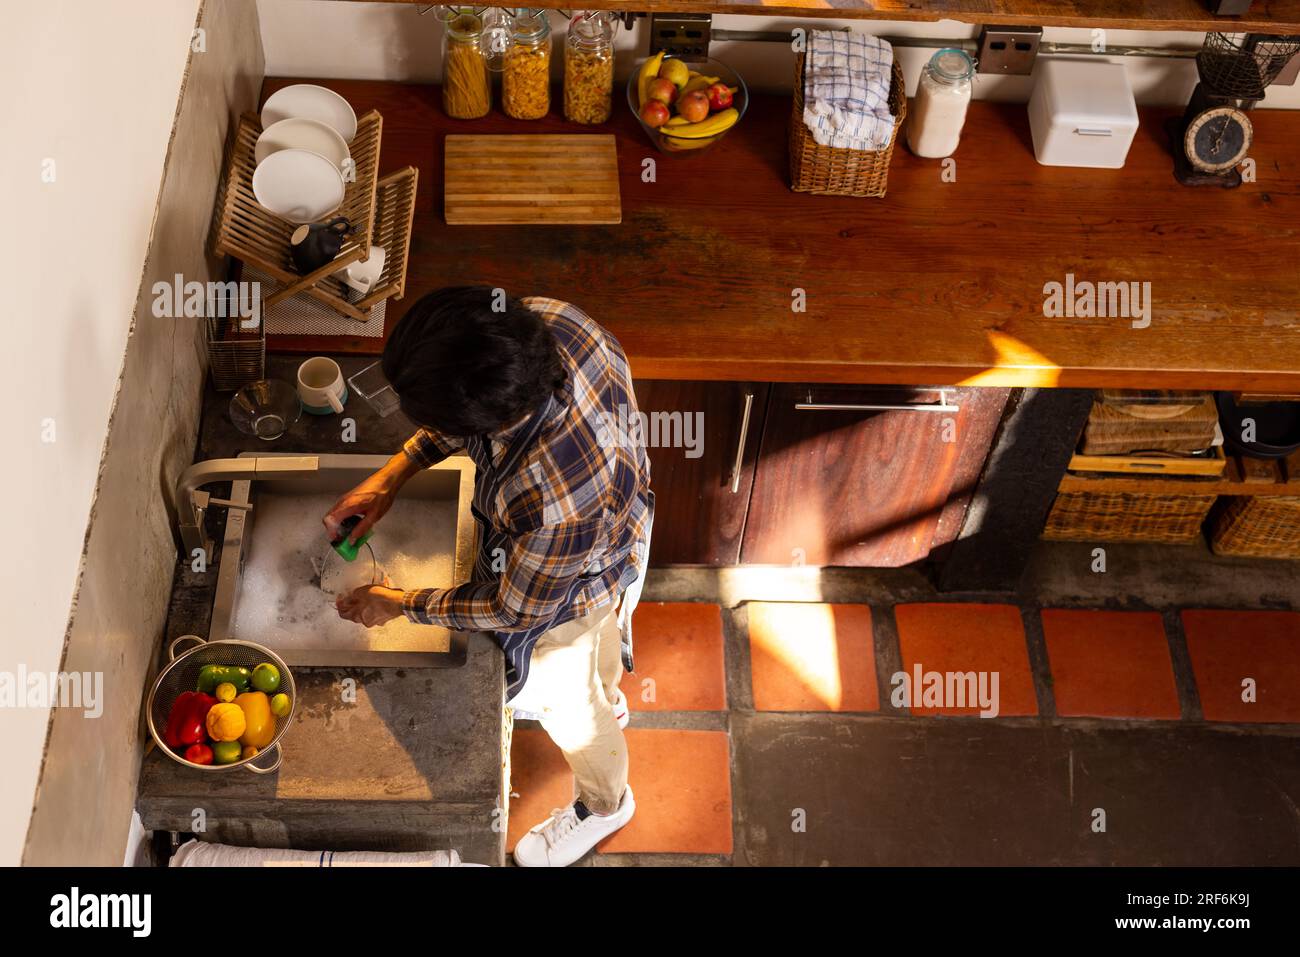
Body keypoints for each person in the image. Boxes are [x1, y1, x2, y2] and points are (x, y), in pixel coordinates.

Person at [324, 286, 652, 867]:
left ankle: (607, 803)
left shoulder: (553, 500)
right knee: (601, 648)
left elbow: (516, 610)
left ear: (495, 420)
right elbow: (466, 405)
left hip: (570, 583)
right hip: (620, 534)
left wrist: (399, 602)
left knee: (572, 710)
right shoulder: (548, 319)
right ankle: (610, 697)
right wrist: (391, 477)